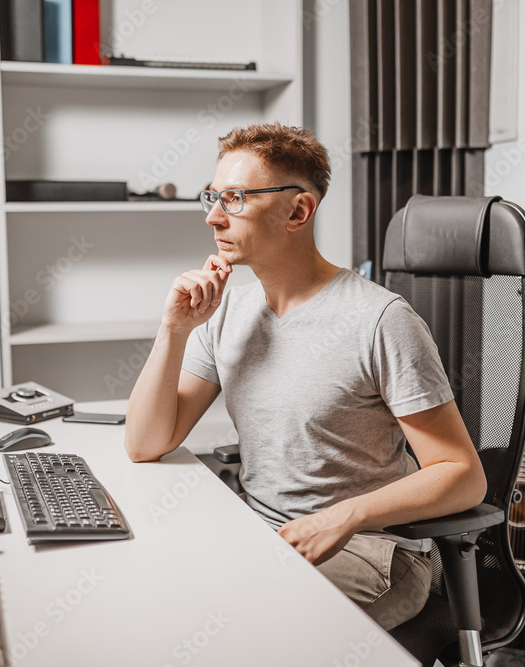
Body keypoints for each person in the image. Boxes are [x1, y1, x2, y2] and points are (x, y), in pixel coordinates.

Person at [124, 122, 486, 630]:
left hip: (374, 551)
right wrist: (174, 329)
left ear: (298, 211)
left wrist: (345, 515)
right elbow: (144, 443)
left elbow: (463, 474)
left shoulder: (380, 320)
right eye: (213, 197)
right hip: (263, 534)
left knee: (245, 633)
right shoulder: (226, 312)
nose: (212, 218)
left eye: (234, 199)